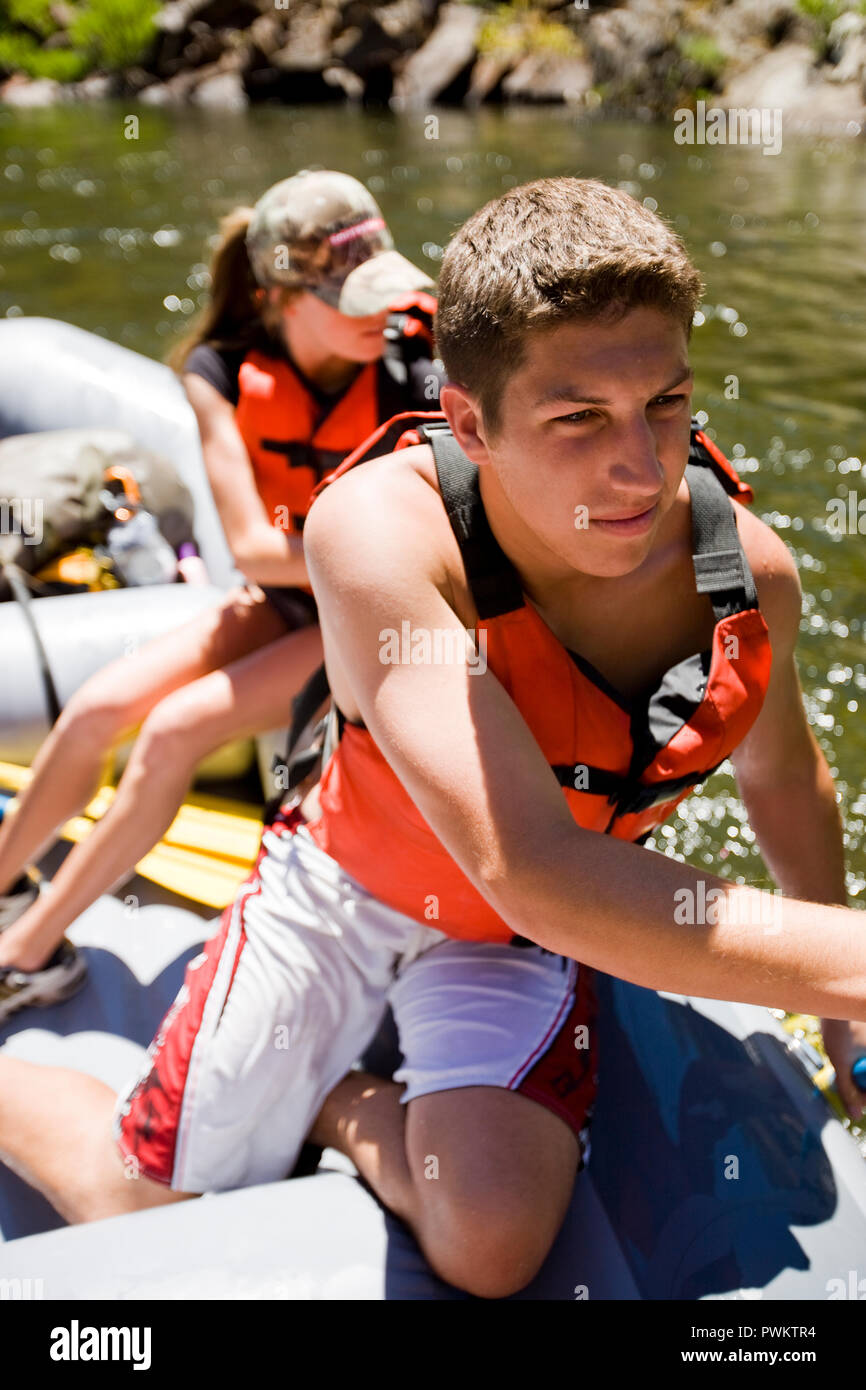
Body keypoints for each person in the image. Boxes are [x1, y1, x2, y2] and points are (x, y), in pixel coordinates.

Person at [1, 178, 864, 1302]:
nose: (642, 469)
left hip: (504, 936)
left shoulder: (745, 575)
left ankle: (338, 1105)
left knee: (493, 1246)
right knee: (135, 1196)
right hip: (353, 886)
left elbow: (783, 778)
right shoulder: (378, 532)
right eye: (576, 420)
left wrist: (836, 1018)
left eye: (665, 403)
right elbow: (536, 867)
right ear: (468, 423)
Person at [0, 169, 441, 1016]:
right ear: (281, 296)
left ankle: (29, 953)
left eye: (380, 291)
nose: (375, 313)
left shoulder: (414, 366)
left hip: (370, 614)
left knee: (173, 729)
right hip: (284, 597)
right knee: (97, 708)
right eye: (350, 298)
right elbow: (248, 547)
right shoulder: (221, 370)